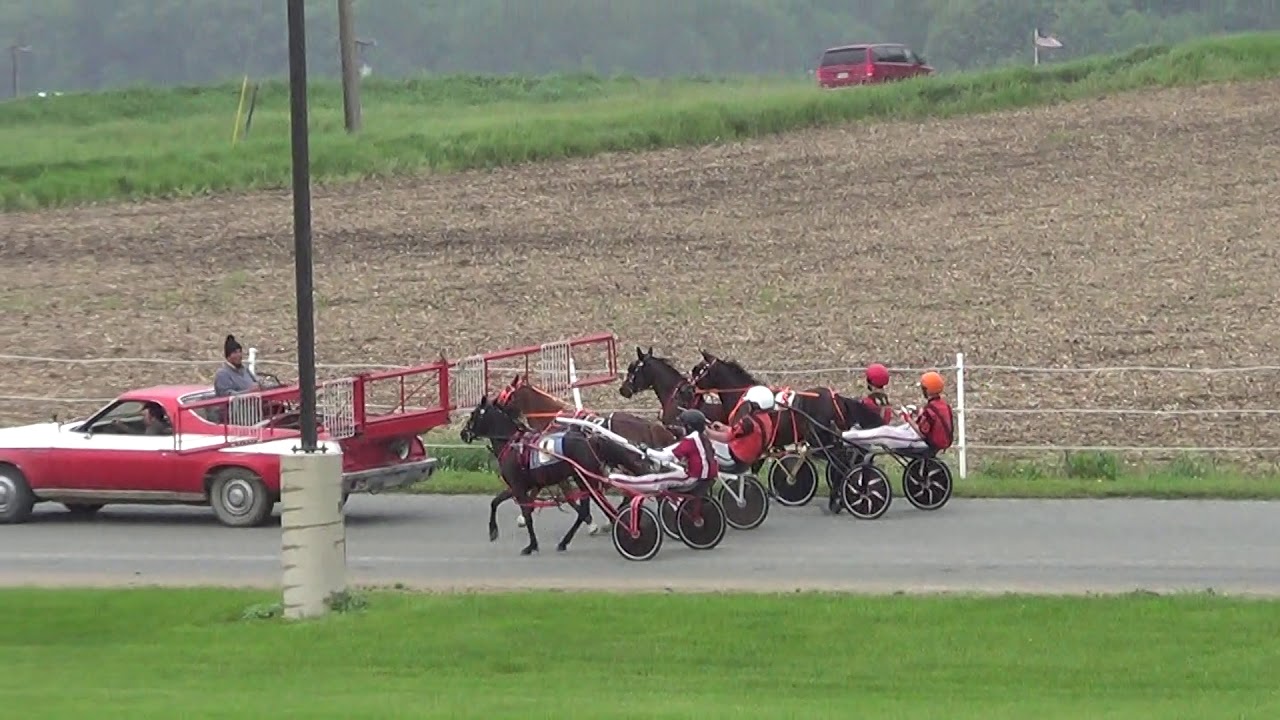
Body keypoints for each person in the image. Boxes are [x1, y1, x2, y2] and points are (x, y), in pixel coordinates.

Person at [840, 371, 954, 452]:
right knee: (891, 429)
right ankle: (851, 435)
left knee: (884, 432)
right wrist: (917, 412)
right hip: (926, 437)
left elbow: (922, 433)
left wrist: (908, 419)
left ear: (926, 390)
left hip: (919, 439)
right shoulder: (941, 405)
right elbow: (929, 422)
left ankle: (845, 437)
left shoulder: (931, 409)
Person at [610, 409, 718, 491]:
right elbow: (674, 449)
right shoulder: (702, 438)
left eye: (683, 425)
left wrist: (647, 450)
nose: (681, 428)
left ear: (689, 427)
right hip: (707, 477)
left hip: (692, 478)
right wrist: (656, 450)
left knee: (656, 480)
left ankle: (615, 479)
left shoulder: (690, 441)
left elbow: (666, 457)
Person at [705, 384, 776, 469]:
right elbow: (736, 432)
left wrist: (707, 432)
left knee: (703, 446)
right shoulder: (766, 419)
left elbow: (727, 437)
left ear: (754, 405)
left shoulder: (748, 422)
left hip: (735, 458)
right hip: (749, 457)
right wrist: (723, 427)